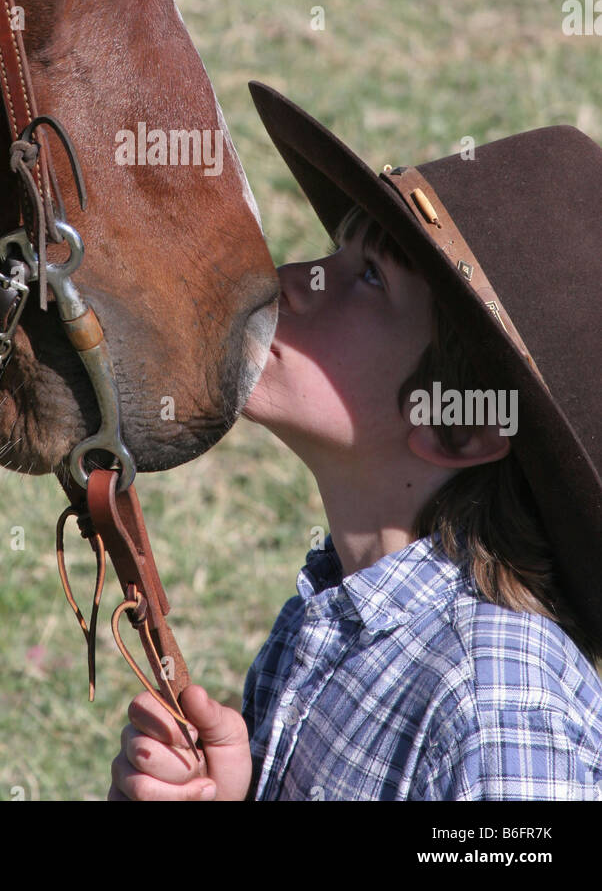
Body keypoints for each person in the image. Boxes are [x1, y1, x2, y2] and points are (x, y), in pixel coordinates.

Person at [108, 82, 602, 801]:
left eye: (369, 276)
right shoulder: (337, 607)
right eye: (336, 254)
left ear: (459, 427)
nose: (294, 281)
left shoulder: (497, 706)